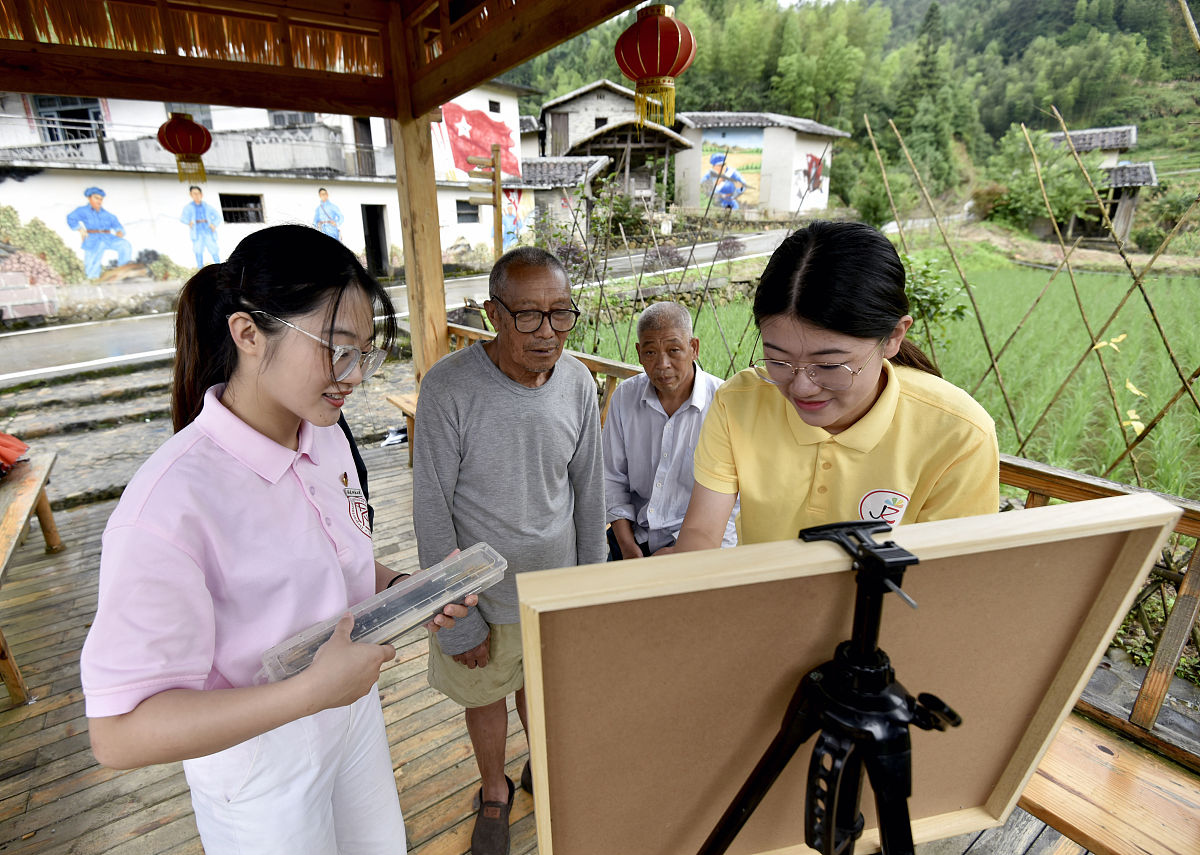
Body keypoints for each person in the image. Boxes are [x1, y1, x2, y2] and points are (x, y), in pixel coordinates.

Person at [79, 224, 474, 854]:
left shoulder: (326, 437)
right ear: (247, 333)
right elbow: (119, 733)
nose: (355, 375)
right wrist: (306, 694)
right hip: (257, 761)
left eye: (365, 353)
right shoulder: (169, 506)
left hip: (349, 718)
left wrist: (407, 590)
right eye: (336, 348)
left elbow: (337, 568)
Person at [413, 246, 605, 855]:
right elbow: (431, 510)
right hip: (481, 595)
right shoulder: (449, 387)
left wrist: (589, 590)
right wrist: (456, 618)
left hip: (553, 587)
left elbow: (590, 493)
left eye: (560, 313)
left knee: (541, 692)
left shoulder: (578, 382)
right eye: (527, 315)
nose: (547, 332)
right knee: (486, 696)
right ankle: (494, 790)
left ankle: (540, 769)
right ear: (494, 314)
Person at [670, 220, 999, 552]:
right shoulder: (738, 401)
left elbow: (950, 570)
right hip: (764, 586)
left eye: (829, 366)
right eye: (778, 360)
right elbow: (701, 531)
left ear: (893, 337)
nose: (801, 387)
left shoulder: (960, 433)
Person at [602, 301, 736, 559]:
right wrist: (628, 547)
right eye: (650, 352)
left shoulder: (724, 403)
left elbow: (735, 502)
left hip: (699, 547)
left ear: (693, 348)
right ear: (639, 353)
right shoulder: (625, 398)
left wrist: (682, 551)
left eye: (674, 350)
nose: (662, 364)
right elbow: (611, 478)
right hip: (632, 538)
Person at [66, 187, 132, 279]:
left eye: (101, 199)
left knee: (125, 245)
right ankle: (92, 279)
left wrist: (119, 231)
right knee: (92, 261)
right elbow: (70, 218)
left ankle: (123, 273)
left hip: (108, 237)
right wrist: (80, 229)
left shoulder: (107, 214)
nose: (99, 201)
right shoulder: (82, 210)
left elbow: (117, 225)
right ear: (89, 198)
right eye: (96, 198)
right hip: (93, 238)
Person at [180, 185, 221, 266]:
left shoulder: (207, 206)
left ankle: (219, 267)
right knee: (198, 251)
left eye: (198, 193)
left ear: (201, 194)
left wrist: (213, 224)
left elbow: (218, 217)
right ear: (191, 195)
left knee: (214, 250)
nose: (196, 195)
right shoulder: (188, 207)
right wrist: (189, 222)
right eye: (194, 194)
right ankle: (200, 269)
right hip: (197, 233)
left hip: (208, 231)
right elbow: (182, 218)